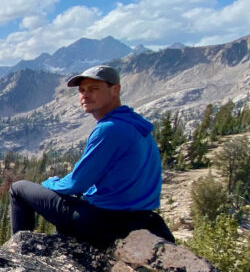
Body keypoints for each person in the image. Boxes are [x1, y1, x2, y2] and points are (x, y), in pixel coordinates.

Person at [9, 64, 174, 248]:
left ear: (115, 90)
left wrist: (50, 183)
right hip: (140, 218)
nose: (85, 95)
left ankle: (19, 251)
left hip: (106, 223)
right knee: (79, 198)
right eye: (81, 90)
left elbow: (75, 184)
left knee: (19, 188)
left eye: (94, 89)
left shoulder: (109, 129)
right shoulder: (138, 125)